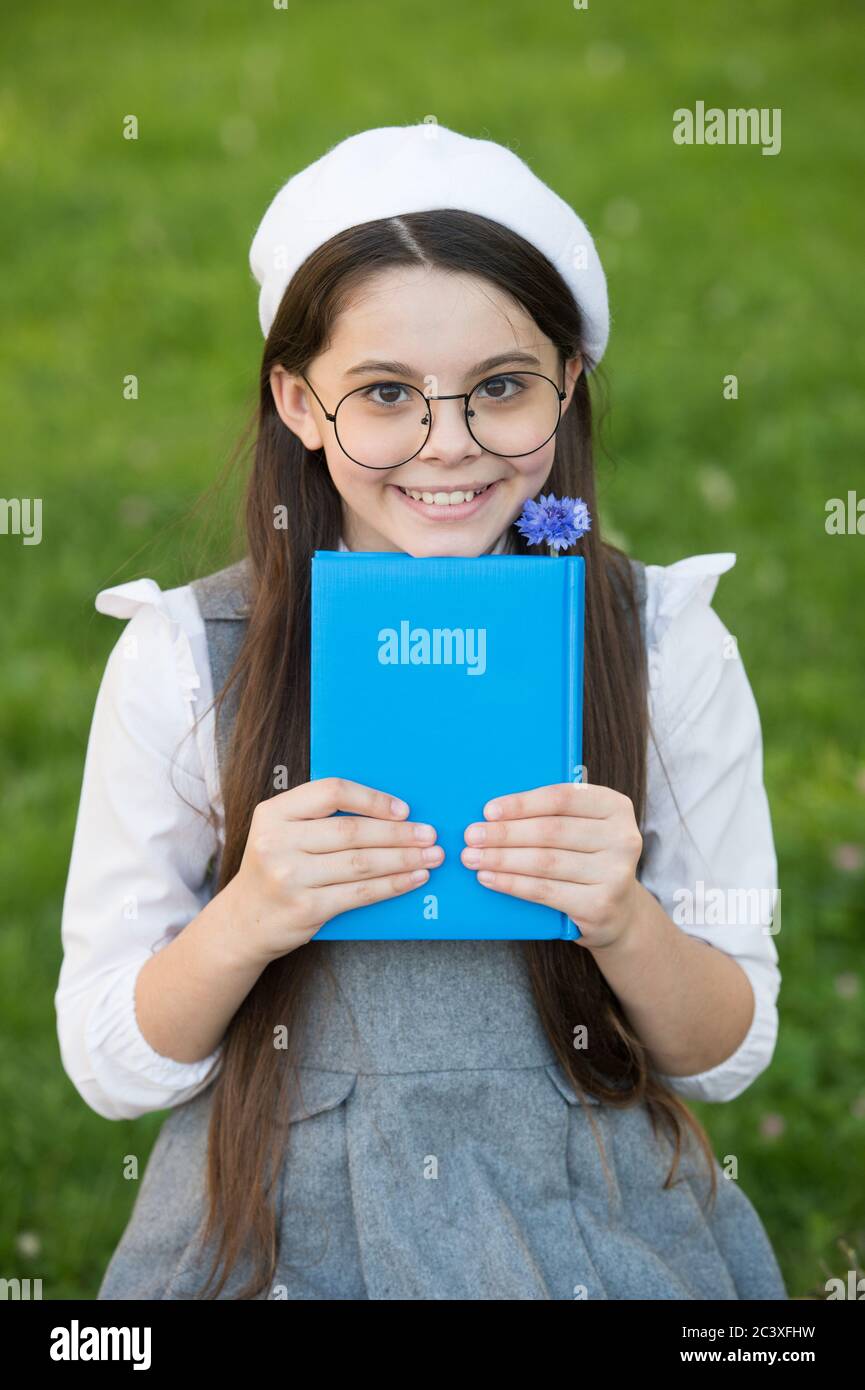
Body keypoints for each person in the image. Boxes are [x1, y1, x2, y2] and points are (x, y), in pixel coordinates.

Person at [56, 122, 787, 1300]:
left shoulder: (661, 641)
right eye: (385, 394)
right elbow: (110, 1061)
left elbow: (722, 1054)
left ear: (569, 382)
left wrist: (625, 919)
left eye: (500, 389)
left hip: (583, 1216)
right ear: (298, 401)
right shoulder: (187, 658)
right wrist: (248, 914)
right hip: (279, 1223)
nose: (448, 446)